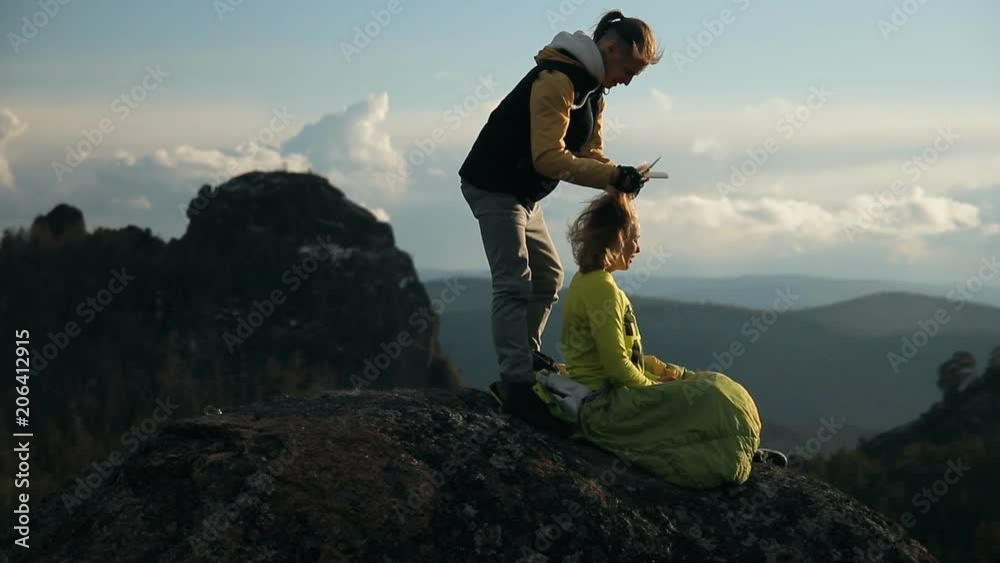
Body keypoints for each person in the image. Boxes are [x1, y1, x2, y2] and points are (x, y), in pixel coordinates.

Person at [460, 11, 661, 414]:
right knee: (513, 282)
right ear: (609, 49)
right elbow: (549, 158)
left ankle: (528, 357)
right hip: (494, 186)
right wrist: (611, 176)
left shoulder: (593, 91)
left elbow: (591, 154)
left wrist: (618, 177)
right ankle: (515, 382)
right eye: (628, 69)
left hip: (522, 195)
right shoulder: (555, 80)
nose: (626, 80)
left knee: (548, 275)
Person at [553, 192, 782, 488]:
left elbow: (616, 359)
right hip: (606, 406)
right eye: (634, 237)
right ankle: (730, 453)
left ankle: (734, 448)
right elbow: (616, 368)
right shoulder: (602, 290)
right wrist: (654, 387)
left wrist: (659, 373)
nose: (637, 247)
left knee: (706, 383)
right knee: (715, 396)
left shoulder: (589, 282)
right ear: (618, 237)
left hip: (608, 396)